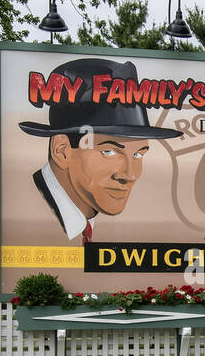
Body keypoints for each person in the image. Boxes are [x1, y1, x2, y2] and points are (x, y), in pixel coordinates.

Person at [20, 58, 182, 243]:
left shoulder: (81, 212)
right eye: (109, 152)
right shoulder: (36, 219)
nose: (130, 174)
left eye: (138, 154)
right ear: (62, 151)